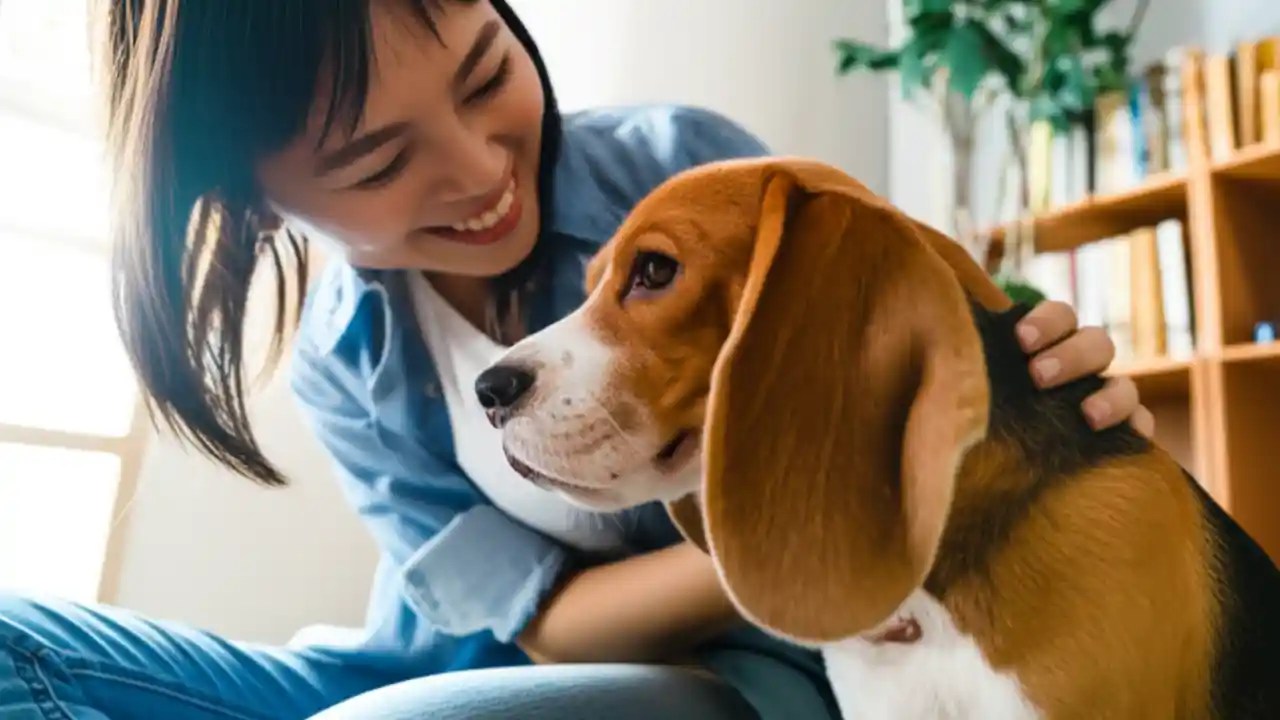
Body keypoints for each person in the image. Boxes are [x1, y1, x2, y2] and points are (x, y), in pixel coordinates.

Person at [0, 1, 1155, 718]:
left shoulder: (683, 176)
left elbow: (892, 360)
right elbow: (538, 624)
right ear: (258, 208)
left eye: (485, 71)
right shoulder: (338, 362)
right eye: (376, 160)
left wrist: (992, 410)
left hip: (751, 667)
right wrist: (817, 517)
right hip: (403, 671)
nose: (476, 170)